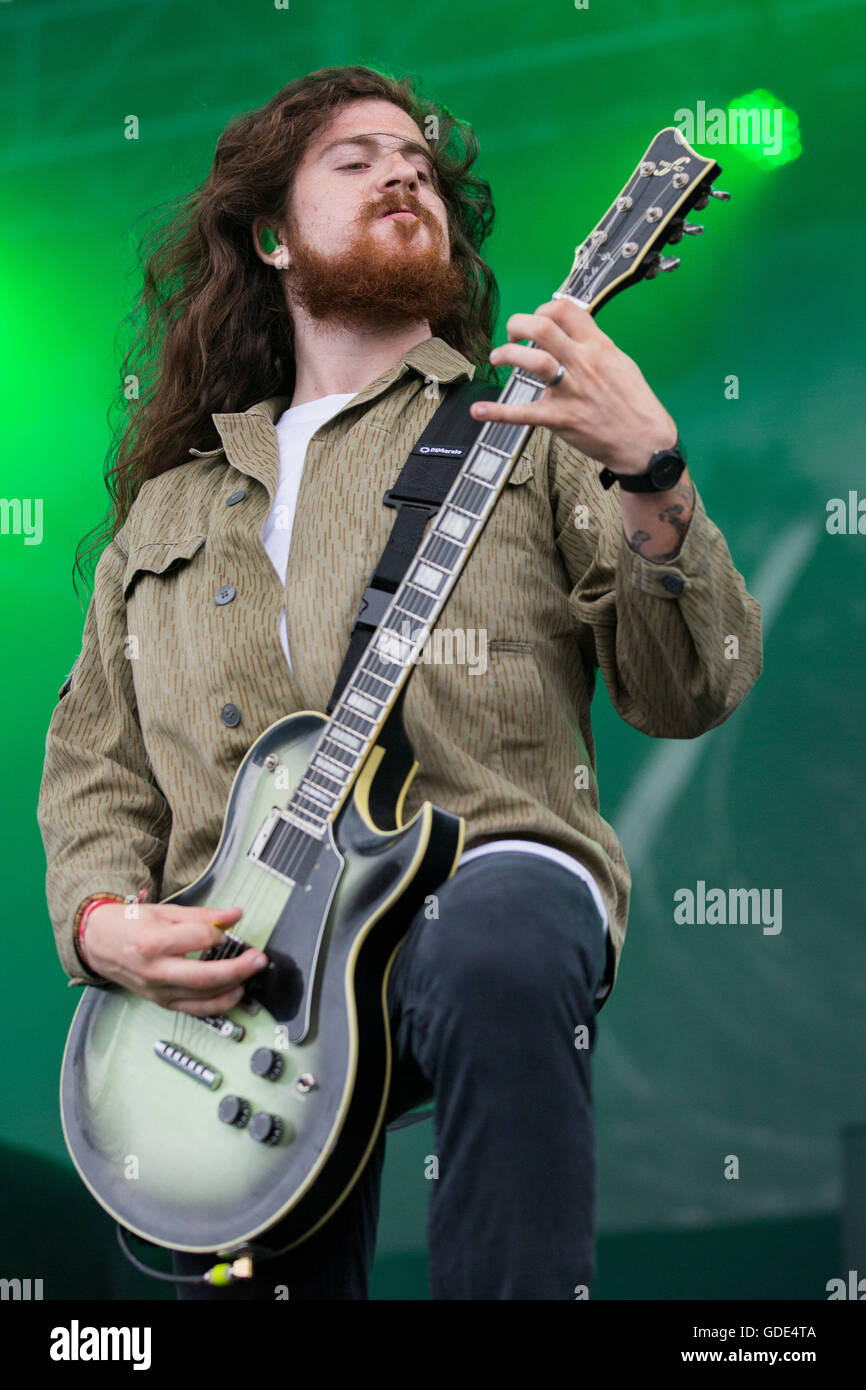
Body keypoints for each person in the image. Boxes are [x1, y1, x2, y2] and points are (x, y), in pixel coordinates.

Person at [37, 65, 762, 1300]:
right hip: (241, 966)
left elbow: (689, 687)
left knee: (493, 943)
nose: (402, 173)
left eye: (419, 165)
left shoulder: (523, 430)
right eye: (357, 158)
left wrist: (649, 473)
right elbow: (95, 764)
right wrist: (105, 925)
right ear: (270, 236)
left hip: (481, 864)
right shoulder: (168, 510)